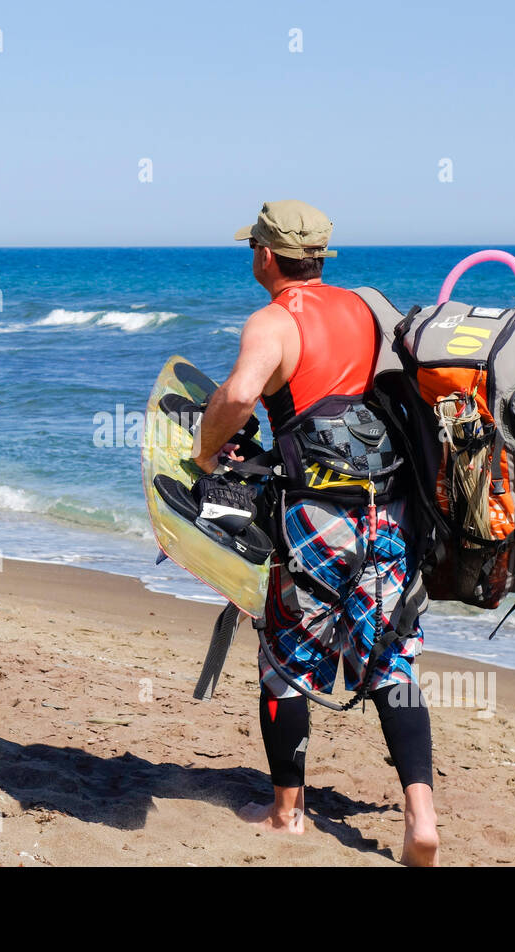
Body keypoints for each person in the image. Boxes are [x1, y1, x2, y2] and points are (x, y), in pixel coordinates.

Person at [192, 200, 439, 866]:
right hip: (388, 510)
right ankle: (421, 818)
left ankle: (286, 813)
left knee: (286, 664)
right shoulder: (366, 309)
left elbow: (241, 395)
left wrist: (206, 455)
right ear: (320, 258)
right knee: (394, 662)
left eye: (254, 249)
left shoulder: (272, 320)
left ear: (266, 256)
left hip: (314, 518)